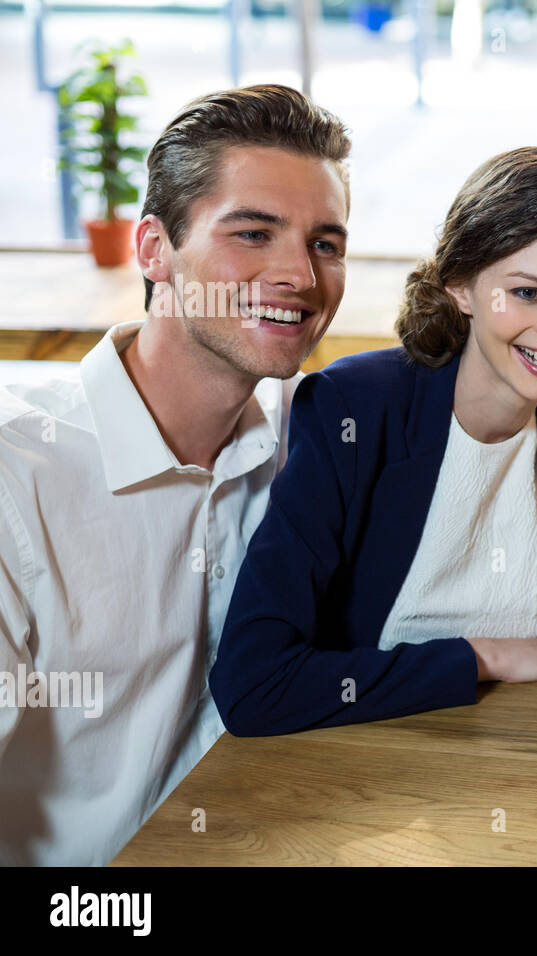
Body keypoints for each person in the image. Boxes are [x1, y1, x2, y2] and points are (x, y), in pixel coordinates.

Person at [0, 84, 351, 865]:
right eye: (253, 233)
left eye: (326, 243)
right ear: (154, 248)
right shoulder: (15, 476)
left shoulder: (319, 442)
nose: (300, 273)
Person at [208, 147, 537, 736]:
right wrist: (482, 657)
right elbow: (254, 685)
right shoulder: (354, 410)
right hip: (371, 772)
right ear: (461, 287)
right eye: (529, 293)